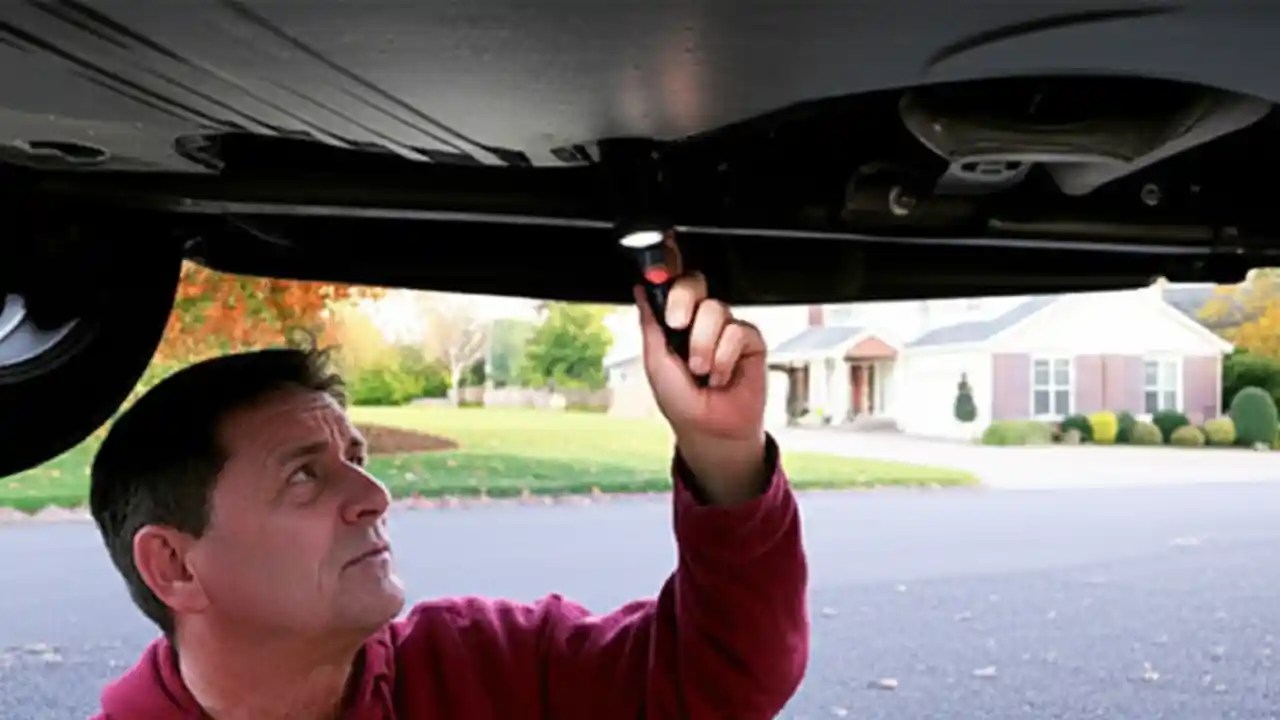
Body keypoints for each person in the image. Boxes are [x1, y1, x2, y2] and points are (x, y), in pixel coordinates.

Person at [89, 276, 809, 719]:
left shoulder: (487, 665)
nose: (374, 495)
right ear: (174, 566)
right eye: (304, 474)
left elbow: (715, 682)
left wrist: (723, 453)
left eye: (357, 459)